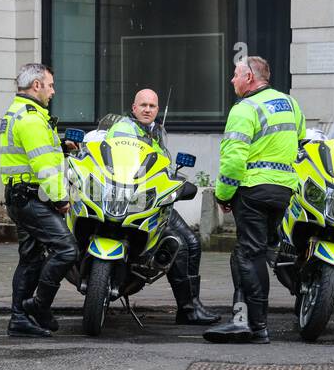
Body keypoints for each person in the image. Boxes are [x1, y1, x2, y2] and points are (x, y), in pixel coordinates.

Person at [204, 56, 304, 344]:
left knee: (249, 255)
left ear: (249, 77)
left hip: (253, 191)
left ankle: (257, 326)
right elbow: (299, 141)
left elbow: (234, 161)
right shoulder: (290, 103)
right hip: (283, 191)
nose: (232, 80)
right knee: (263, 251)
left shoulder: (244, 109)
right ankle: (243, 317)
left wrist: (224, 194)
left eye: (236, 75)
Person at [108, 89, 219, 325]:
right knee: (178, 245)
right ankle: (188, 309)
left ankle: (191, 306)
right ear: (134, 107)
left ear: (158, 110)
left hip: (155, 200)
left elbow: (161, 165)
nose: (148, 109)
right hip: (132, 202)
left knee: (192, 241)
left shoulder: (157, 131)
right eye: (143, 105)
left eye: (152, 106)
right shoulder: (125, 129)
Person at [0, 63, 78, 338]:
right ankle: (39, 305)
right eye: (50, 85)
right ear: (36, 86)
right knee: (67, 250)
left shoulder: (19, 111)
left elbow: (32, 149)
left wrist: (61, 143)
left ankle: (19, 318)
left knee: (31, 258)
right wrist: (61, 200)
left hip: (20, 197)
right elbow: (44, 167)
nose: (53, 91)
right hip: (32, 199)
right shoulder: (31, 118)